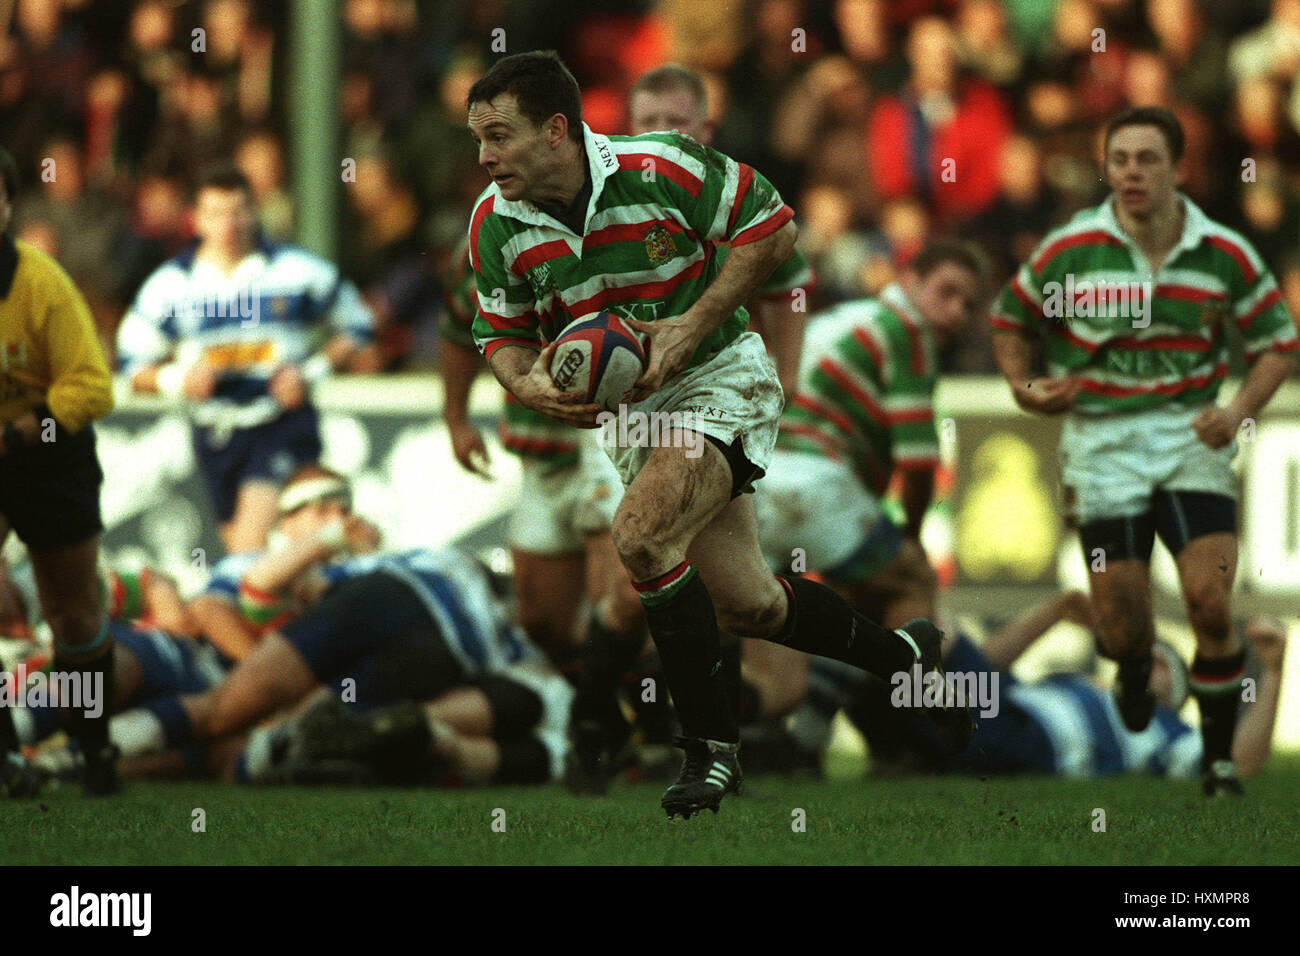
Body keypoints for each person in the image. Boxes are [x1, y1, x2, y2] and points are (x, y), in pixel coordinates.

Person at [465, 50, 967, 818]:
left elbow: (775, 230)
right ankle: (904, 653)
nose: (484, 156)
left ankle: (709, 750)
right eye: (478, 139)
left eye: (499, 136)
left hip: (721, 381)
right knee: (751, 605)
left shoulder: (662, 166)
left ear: (556, 129)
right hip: (633, 418)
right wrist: (530, 383)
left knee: (638, 536)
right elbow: (498, 335)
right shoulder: (494, 224)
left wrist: (690, 323)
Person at [989, 106, 1300, 796]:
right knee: (1123, 628)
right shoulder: (1072, 249)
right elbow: (1010, 317)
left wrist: (1238, 409)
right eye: (1120, 159)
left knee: (1209, 601)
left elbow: (1279, 341)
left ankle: (1218, 761)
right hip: (1102, 446)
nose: (1132, 172)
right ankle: (1132, 668)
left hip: (1190, 439)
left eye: (1147, 159)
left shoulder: (1224, 252)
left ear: (1178, 169)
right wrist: (1022, 384)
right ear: (1107, 169)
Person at [753, 239, 987, 715]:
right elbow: (918, 460)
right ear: (910, 282)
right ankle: (913, 729)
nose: (957, 311)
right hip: (816, 484)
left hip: (757, 487)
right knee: (908, 581)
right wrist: (915, 535)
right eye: (947, 292)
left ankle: (760, 735)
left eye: (968, 303)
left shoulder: (844, 319)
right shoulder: (907, 332)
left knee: (780, 674)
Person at [117, 165, 375, 554]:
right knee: (247, 552)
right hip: (215, 431)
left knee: (251, 550)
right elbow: (130, 365)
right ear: (196, 219)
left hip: (279, 421)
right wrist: (176, 379)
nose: (229, 224)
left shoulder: (296, 270)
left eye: (239, 210)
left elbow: (359, 326)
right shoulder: (171, 286)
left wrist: (311, 372)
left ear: (255, 212)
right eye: (216, 213)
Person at [790, 593, 1287, 785]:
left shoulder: (1166, 729)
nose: (1138, 664)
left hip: (1018, 742)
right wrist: (1051, 615)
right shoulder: (1077, 687)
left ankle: (813, 727)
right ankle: (880, 738)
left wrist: (1274, 670)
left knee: (921, 617)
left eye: (1155, 662)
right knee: (905, 635)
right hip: (990, 716)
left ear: (1174, 692)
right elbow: (988, 669)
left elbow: (1237, 765)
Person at [0, 147, 119, 798]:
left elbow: (93, 387)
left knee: (70, 614)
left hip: (49, 447)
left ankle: (95, 749)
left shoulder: (39, 283)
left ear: (9, 205)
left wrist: (24, 431)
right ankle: (6, 758)